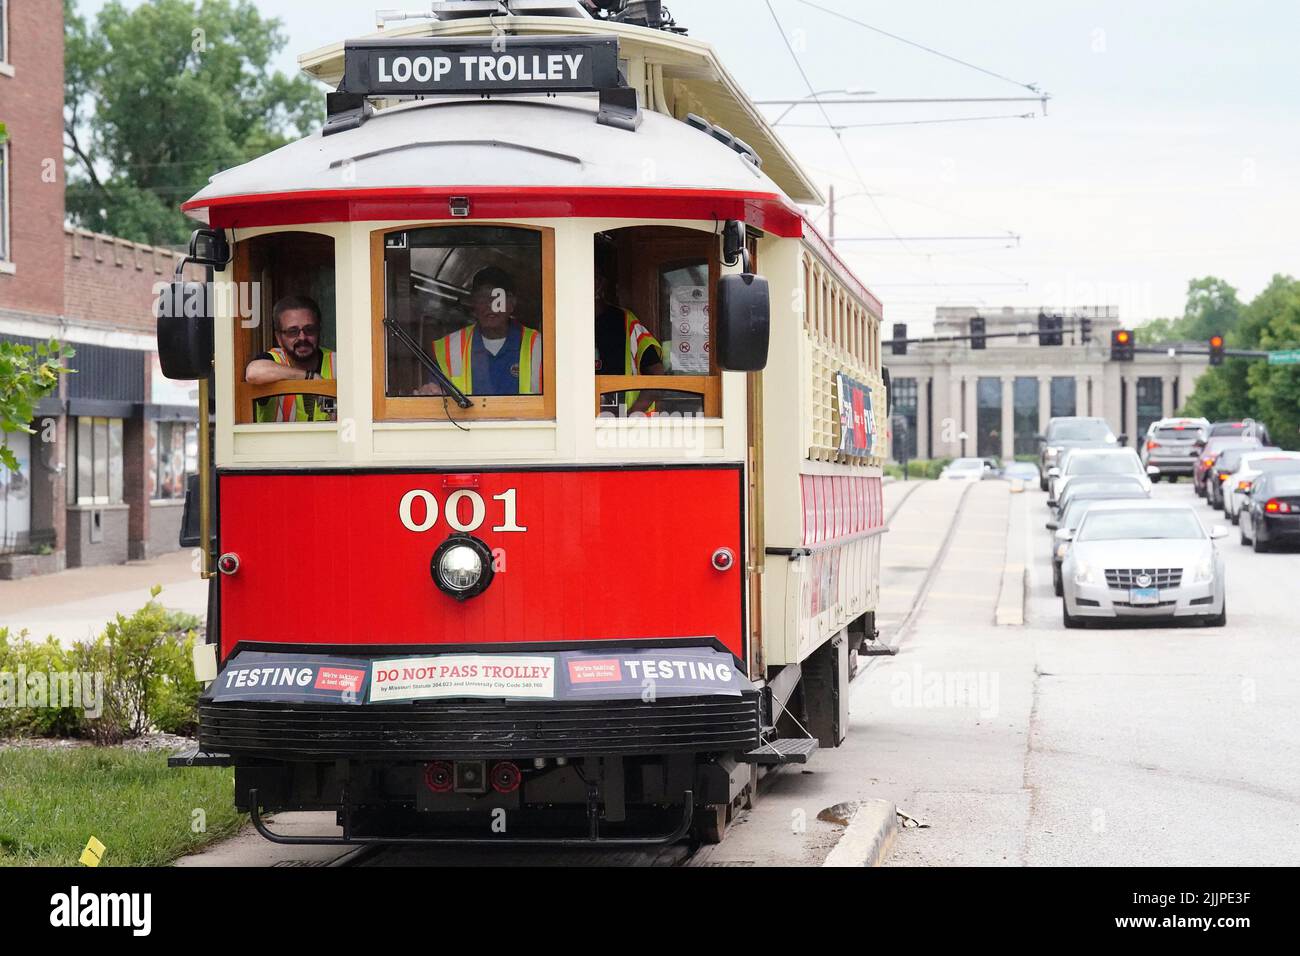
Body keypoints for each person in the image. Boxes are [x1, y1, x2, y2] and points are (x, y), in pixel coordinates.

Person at [421, 267, 542, 396]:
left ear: (511, 303)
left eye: (497, 298)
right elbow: (435, 399)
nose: (490, 306)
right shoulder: (448, 349)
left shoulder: (539, 347)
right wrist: (429, 392)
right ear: (473, 304)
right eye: (483, 299)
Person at [245, 295, 337, 422]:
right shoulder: (273, 360)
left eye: (309, 329)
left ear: (319, 330)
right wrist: (310, 377)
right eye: (293, 332)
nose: (302, 338)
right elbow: (253, 373)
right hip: (276, 442)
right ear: (278, 337)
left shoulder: (337, 362)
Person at [594, 251, 664, 414]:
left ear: (600, 284)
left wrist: (631, 418)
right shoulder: (564, 321)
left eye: (591, 278)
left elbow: (657, 376)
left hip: (623, 430)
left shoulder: (625, 322)